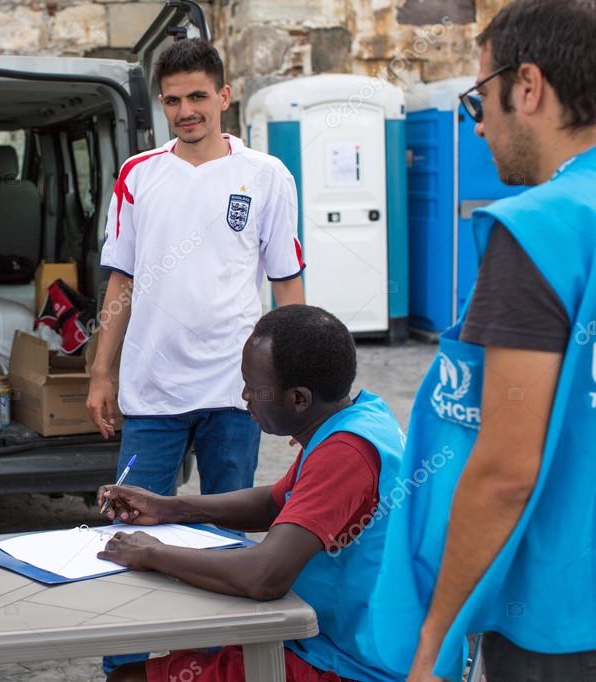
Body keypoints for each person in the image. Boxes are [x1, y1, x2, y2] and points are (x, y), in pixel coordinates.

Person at [363, 1, 596, 681]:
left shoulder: (538, 228)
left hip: (557, 621)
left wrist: (434, 637)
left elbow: (504, 472)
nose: (480, 125)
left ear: (526, 87)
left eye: (478, 99)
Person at [86, 37, 305, 674]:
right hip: (150, 390)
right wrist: (103, 371)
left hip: (237, 394)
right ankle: (124, 665)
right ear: (162, 104)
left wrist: (296, 389)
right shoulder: (139, 175)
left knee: (225, 540)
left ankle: (212, 665)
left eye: (198, 97)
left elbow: (286, 283)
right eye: (174, 100)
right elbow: (120, 282)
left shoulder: (267, 176)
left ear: (224, 96)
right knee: (123, 533)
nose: (186, 111)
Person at [95, 304, 405, 682]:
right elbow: (276, 502)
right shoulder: (357, 420)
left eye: (254, 387)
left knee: (128, 680)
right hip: (340, 643)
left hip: (353, 666)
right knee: (191, 644)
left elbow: (264, 578)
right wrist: (169, 508)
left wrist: (150, 553)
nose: (244, 396)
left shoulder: (346, 453)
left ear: (299, 399)